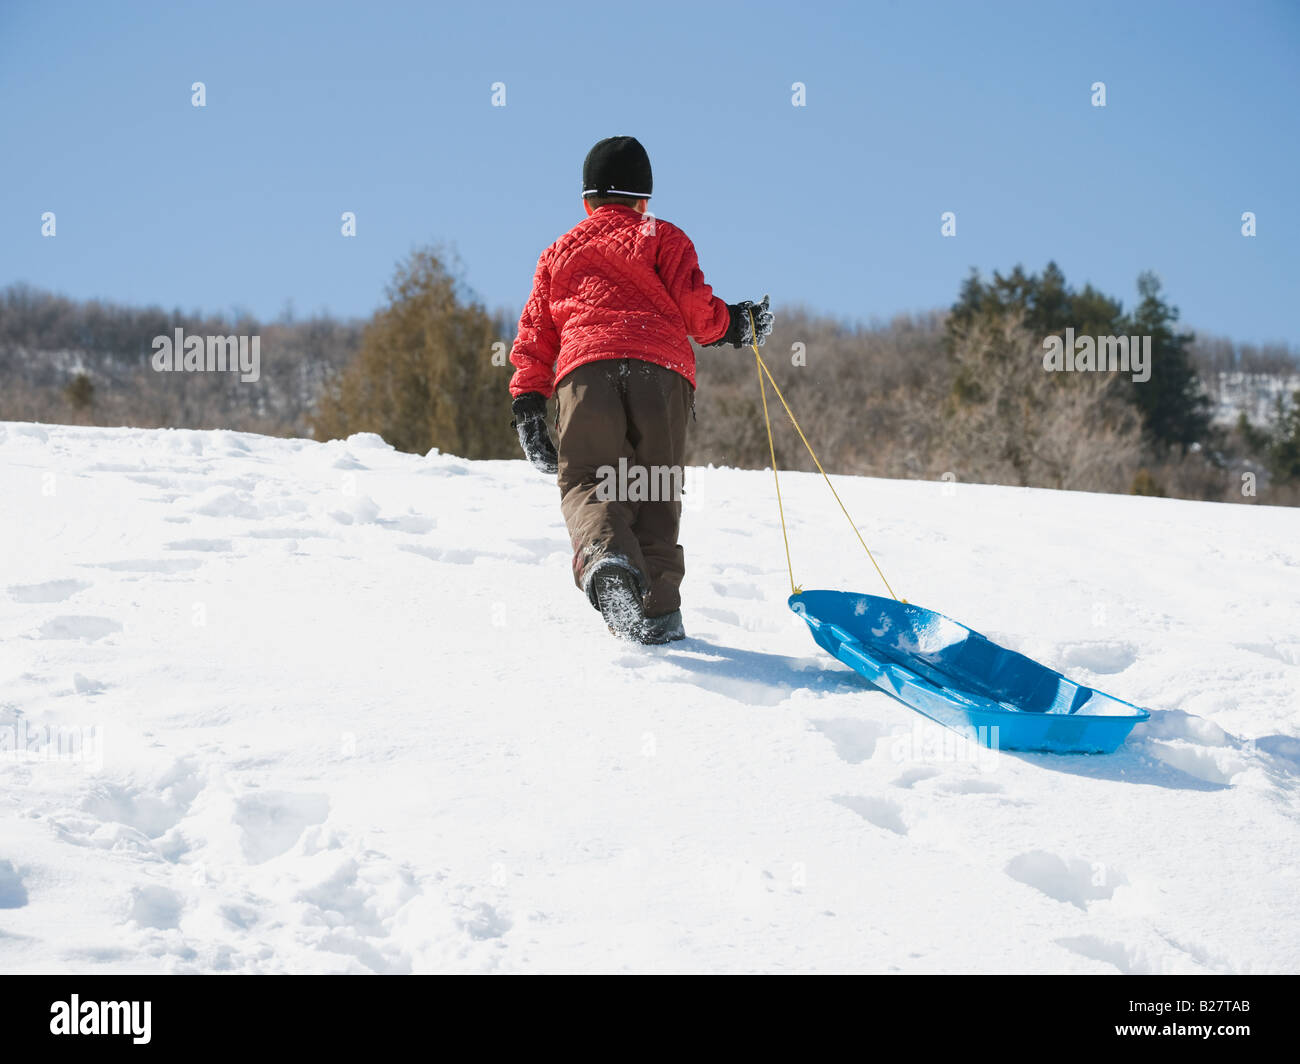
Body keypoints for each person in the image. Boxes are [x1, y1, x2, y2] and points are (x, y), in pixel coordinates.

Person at [508, 135, 772, 643]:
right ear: (643, 198)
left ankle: (606, 557)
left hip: (585, 374)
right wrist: (737, 324)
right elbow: (699, 312)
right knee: (655, 491)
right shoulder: (664, 237)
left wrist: (527, 404)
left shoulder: (558, 252)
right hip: (662, 375)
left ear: (587, 202)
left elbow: (535, 335)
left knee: (589, 479)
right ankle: (656, 614)